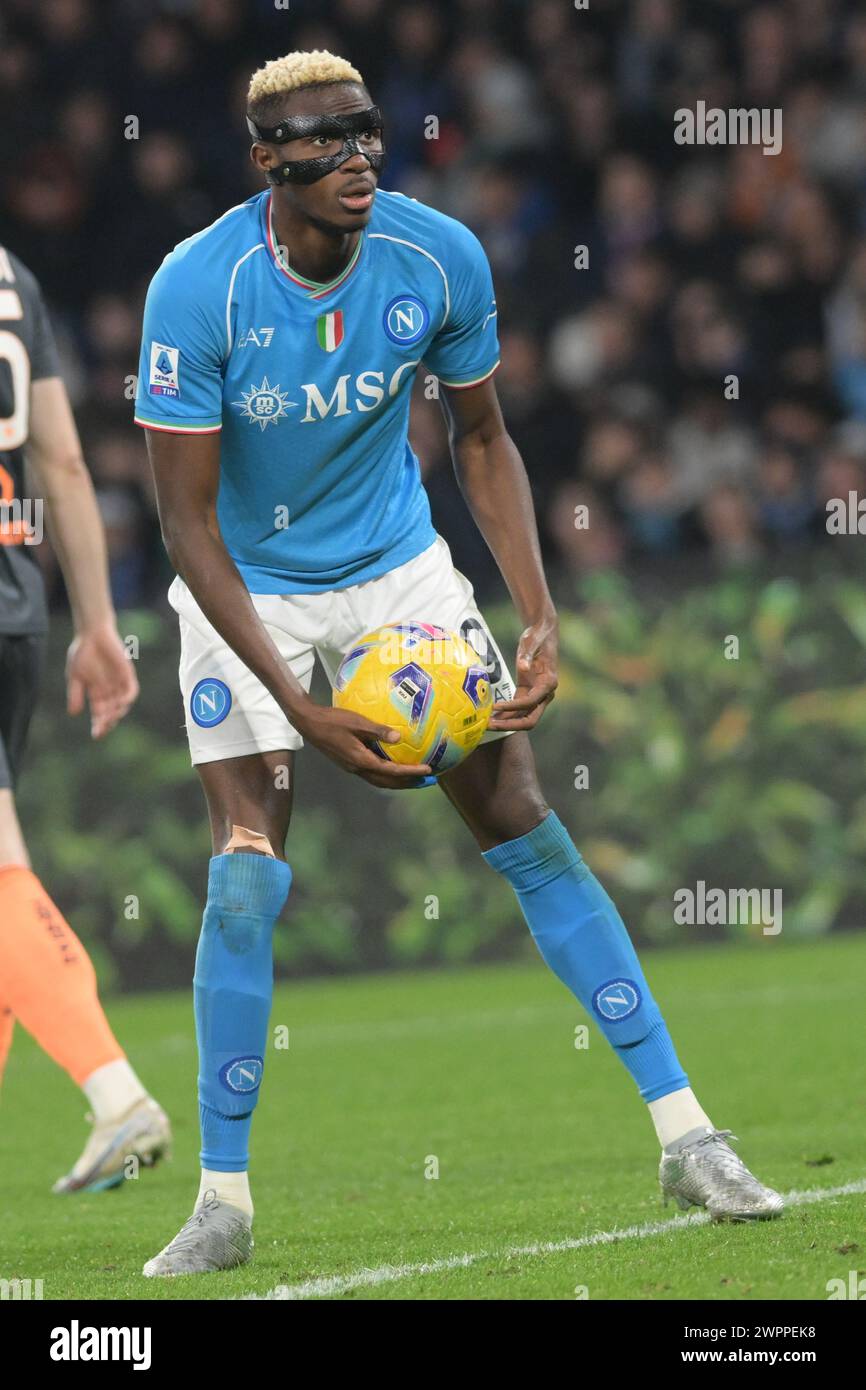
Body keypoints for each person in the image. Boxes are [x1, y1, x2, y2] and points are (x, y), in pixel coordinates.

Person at [135, 49, 781, 1277]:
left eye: (366, 132)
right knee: (243, 880)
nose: (355, 159)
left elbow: (480, 439)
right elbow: (185, 524)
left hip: (397, 575)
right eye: (321, 143)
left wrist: (535, 611)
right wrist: (295, 704)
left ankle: (685, 1132)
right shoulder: (196, 289)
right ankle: (222, 1200)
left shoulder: (438, 258)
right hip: (247, 586)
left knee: (527, 825)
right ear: (267, 161)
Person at [0, 246, 171, 1192]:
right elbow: (61, 458)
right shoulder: (16, 275)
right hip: (18, 607)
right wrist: (97, 625)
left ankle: (116, 1095)